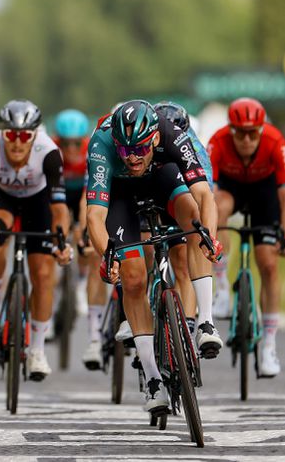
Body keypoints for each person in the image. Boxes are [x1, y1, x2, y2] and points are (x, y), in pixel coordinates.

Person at [87, 100, 219, 415]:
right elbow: (94, 216)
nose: (132, 158)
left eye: (140, 149)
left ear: (155, 139)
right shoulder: (102, 143)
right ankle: (153, 380)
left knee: (194, 223)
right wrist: (107, 257)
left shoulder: (170, 132)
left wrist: (209, 236)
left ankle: (206, 323)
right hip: (119, 195)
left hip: (163, 180)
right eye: (125, 151)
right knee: (133, 278)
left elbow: (204, 193)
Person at [0, 100, 72, 379]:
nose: (17, 142)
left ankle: (37, 351)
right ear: (3, 134)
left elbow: (60, 208)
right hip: (4, 200)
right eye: (11, 134)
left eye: (24, 135)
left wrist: (61, 241)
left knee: (43, 275)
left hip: (38, 203)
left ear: (34, 135)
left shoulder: (49, 153)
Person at [208, 97, 285, 377]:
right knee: (218, 208)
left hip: (265, 195)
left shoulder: (275, 142)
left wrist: (283, 231)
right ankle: (223, 289)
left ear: (262, 131)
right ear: (231, 131)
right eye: (240, 133)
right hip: (231, 189)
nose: (247, 140)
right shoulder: (217, 143)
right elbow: (210, 193)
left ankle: (268, 346)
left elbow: (283, 194)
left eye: (253, 133)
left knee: (268, 264)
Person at [53, 109, 107, 370]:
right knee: (58, 233)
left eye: (76, 142)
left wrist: (84, 229)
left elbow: (90, 194)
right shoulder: (52, 152)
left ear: (84, 140)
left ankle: (83, 280)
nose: (72, 148)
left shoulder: (91, 151)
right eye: (66, 143)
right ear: (57, 140)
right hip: (60, 194)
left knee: (86, 238)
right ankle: (56, 291)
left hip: (83, 195)